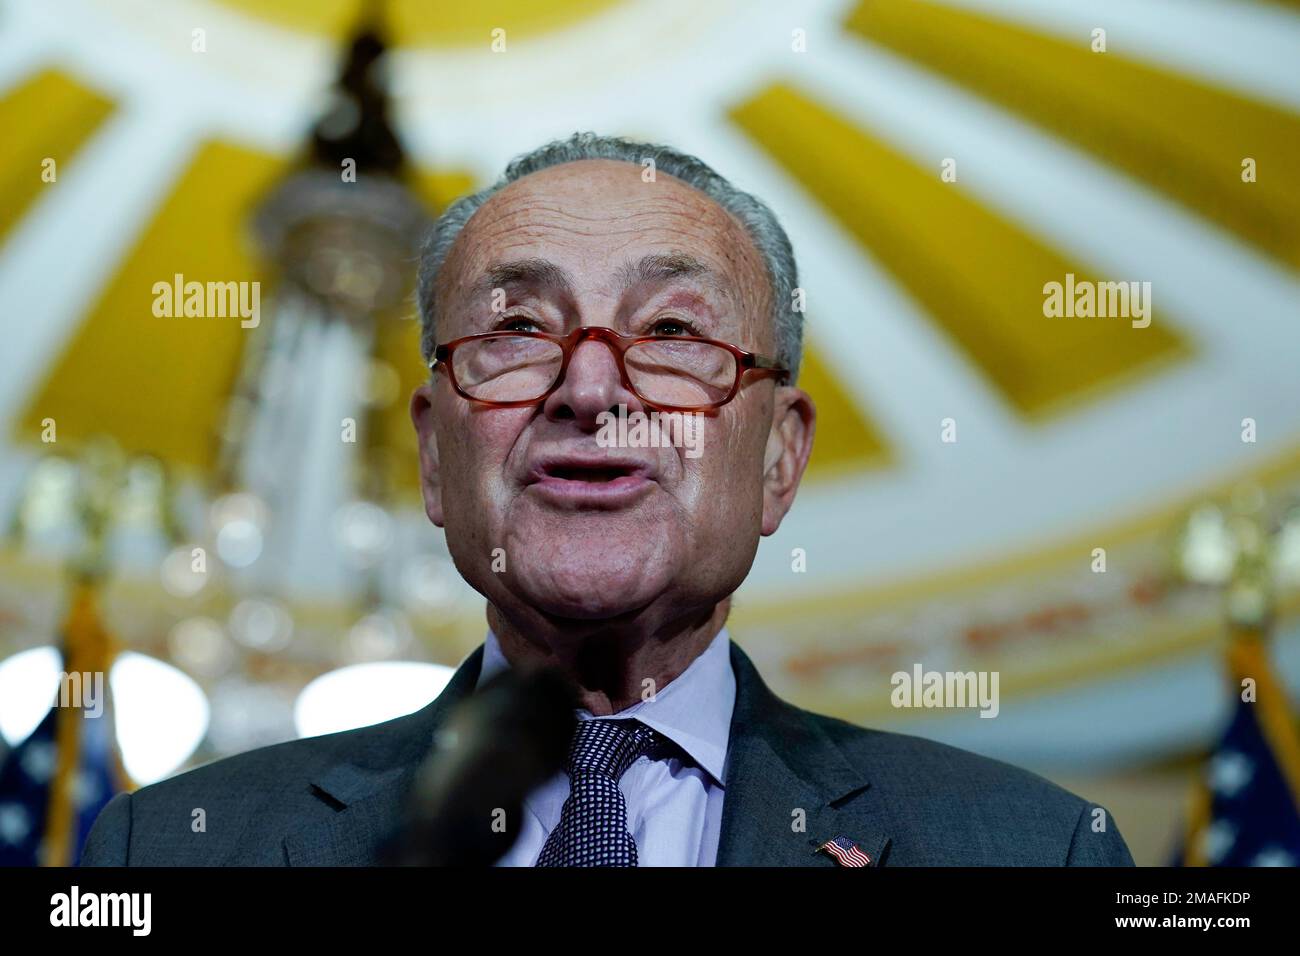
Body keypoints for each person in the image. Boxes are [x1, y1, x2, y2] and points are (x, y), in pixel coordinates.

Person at [82, 132, 1133, 867]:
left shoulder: (1031, 847)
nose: (589, 389)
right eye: (519, 329)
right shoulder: (173, 847)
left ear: (777, 458)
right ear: (434, 460)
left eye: (673, 333)